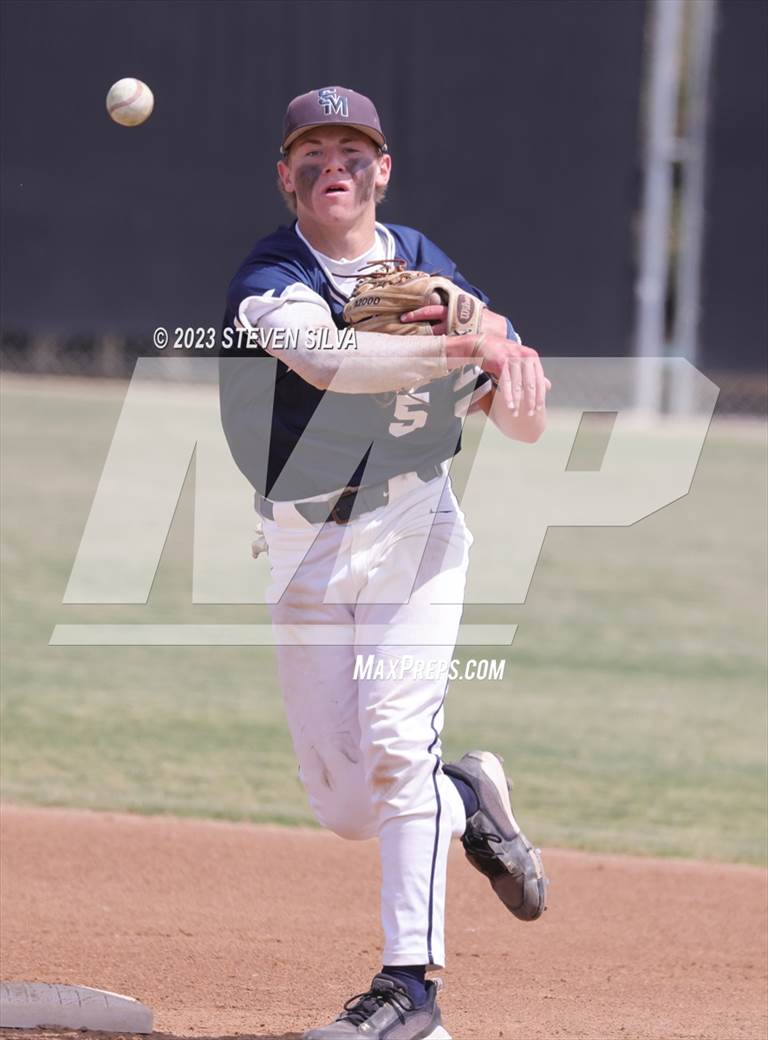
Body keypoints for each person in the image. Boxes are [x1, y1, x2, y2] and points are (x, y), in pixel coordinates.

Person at [220, 85, 549, 1040]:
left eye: (354, 149)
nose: (336, 164)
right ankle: (467, 795)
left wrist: (509, 364)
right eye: (314, 150)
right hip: (300, 541)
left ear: (383, 170)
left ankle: (413, 993)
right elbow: (327, 363)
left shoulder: (429, 270)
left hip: (413, 531)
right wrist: (461, 339)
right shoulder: (269, 275)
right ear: (286, 175)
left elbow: (523, 422)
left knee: (400, 745)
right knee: (347, 808)